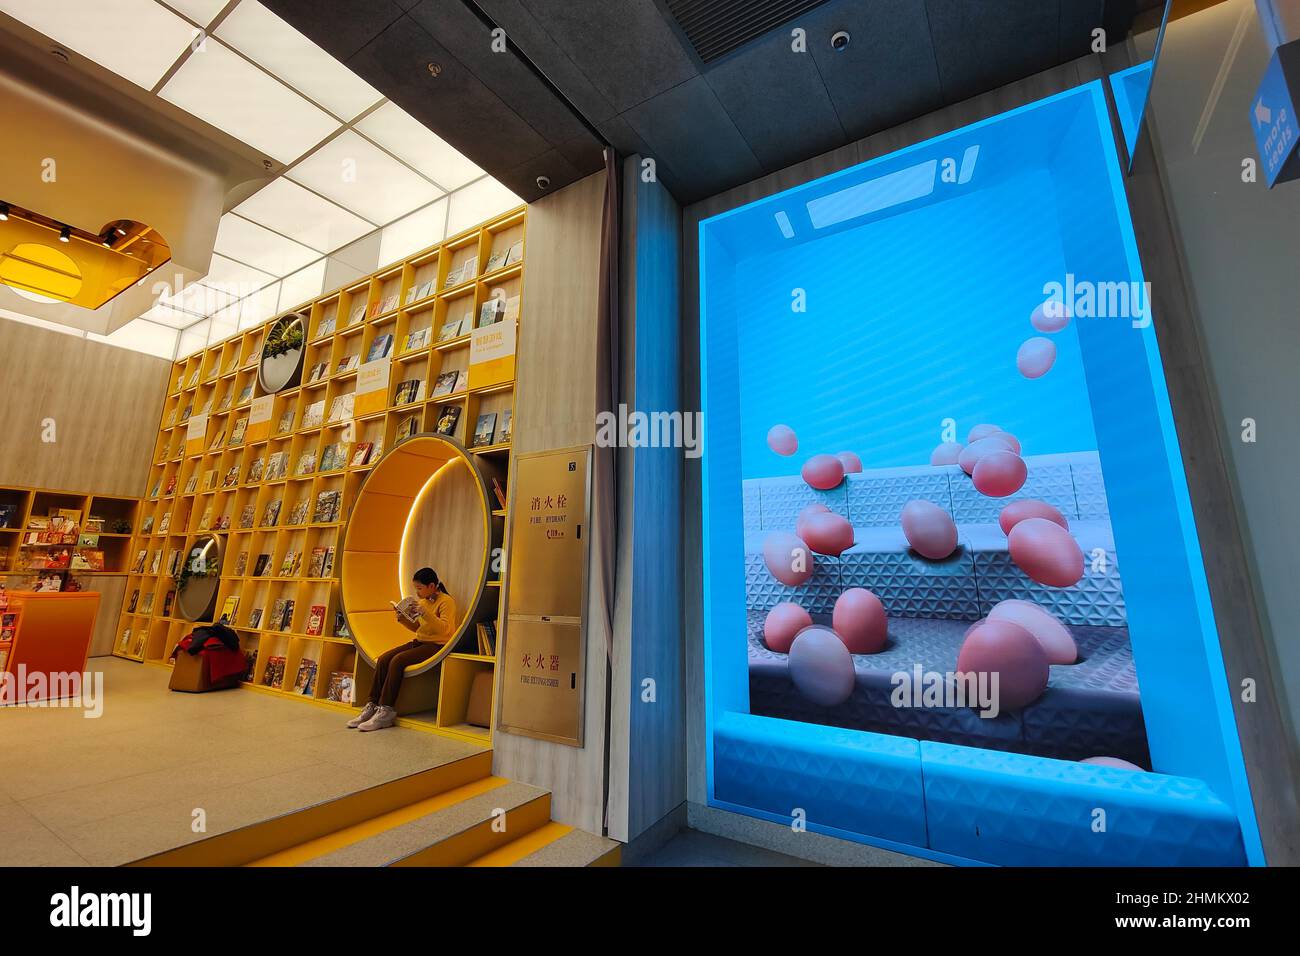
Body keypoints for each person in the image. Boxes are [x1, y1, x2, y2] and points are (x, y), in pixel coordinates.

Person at [349, 568, 457, 731]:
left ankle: (386, 711)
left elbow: (446, 630)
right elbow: (418, 628)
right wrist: (402, 618)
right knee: (384, 659)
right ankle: (372, 705)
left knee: (398, 661)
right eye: (416, 589)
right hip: (420, 642)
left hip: (437, 645)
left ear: (432, 585)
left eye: (419, 588)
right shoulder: (423, 602)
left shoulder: (446, 601)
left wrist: (426, 613)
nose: (417, 592)